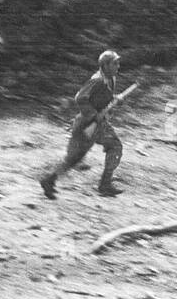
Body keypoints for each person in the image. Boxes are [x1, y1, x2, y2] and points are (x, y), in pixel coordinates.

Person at [40, 50, 124, 198]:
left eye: (118, 63)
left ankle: (105, 184)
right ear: (105, 65)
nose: (118, 66)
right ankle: (49, 180)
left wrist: (115, 99)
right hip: (86, 125)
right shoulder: (97, 80)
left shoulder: (111, 79)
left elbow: (104, 98)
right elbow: (80, 98)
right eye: (114, 63)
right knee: (74, 158)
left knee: (115, 146)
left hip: (100, 125)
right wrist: (93, 115)